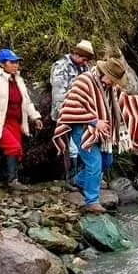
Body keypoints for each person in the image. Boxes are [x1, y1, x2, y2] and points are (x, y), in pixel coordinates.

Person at [52, 57, 132, 214]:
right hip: (81, 128)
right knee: (94, 163)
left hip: (101, 131)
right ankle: (92, 201)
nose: (113, 83)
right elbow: (71, 106)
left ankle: (77, 181)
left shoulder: (109, 87)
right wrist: (94, 121)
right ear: (104, 73)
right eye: (112, 79)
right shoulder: (84, 81)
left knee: (107, 162)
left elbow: (116, 104)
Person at [0, 49, 43, 189]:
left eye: (17, 62)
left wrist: (35, 117)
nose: (16, 65)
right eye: (12, 62)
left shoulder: (18, 80)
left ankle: (11, 178)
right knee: (13, 147)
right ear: (2, 64)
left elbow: (26, 102)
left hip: (15, 122)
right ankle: (11, 181)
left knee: (18, 150)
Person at [50, 39, 95, 182]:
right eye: (83, 58)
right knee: (68, 147)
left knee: (81, 144)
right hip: (66, 114)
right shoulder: (61, 67)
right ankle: (69, 178)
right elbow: (58, 94)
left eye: (87, 59)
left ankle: (81, 177)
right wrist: (65, 115)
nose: (85, 61)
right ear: (76, 54)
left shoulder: (85, 68)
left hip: (82, 114)